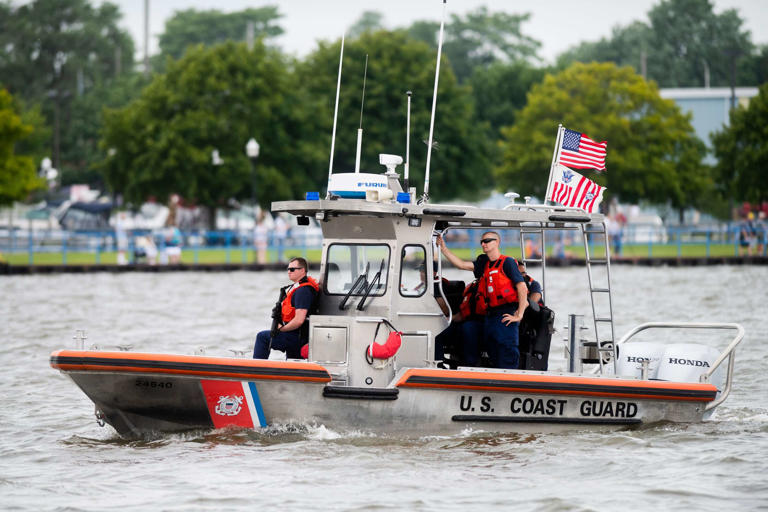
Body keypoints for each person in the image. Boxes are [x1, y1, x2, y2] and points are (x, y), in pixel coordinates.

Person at [437, 231, 527, 369]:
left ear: (497, 242)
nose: (483, 244)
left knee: (506, 350)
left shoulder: (507, 262)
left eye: (487, 240)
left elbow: (522, 287)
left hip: (505, 313)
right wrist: (443, 248)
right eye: (482, 242)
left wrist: (519, 314)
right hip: (489, 316)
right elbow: (461, 265)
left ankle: (509, 380)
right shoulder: (484, 263)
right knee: (492, 350)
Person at [253, 257, 319, 360]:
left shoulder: (303, 291)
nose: (289, 271)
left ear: (302, 270)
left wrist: (282, 329)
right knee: (293, 361)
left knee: (262, 337)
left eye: (292, 269)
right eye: (288, 269)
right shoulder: (297, 288)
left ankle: (256, 369)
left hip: (298, 338)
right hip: (295, 335)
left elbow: (299, 320)